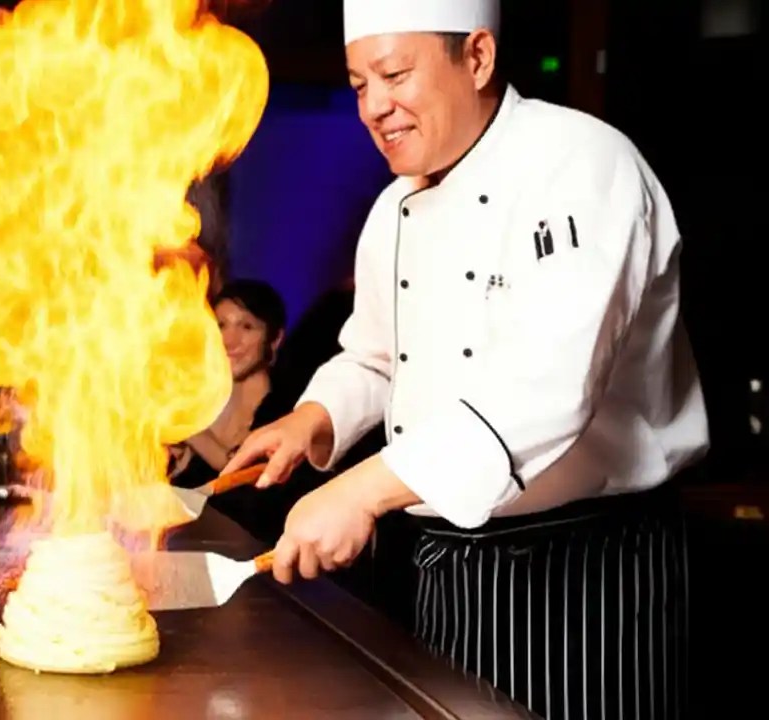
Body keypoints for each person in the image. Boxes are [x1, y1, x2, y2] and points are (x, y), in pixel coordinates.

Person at [222, 2, 708, 718]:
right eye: (359, 85)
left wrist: (361, 492)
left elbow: (547, 386)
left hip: (582, 569)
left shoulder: (580, 164)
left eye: (393, 74)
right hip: (445, 558)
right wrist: (315, 418)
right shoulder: (394, 207)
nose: (374, 107)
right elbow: (379, 357)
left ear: (477, 58)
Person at [170, 279, 286, 487]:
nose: (229, 341)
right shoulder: (200, 398)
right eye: (220, 325)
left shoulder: (279, 414)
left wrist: (188, 428)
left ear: (274, 339)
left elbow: (247, 479)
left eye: (247, 327)